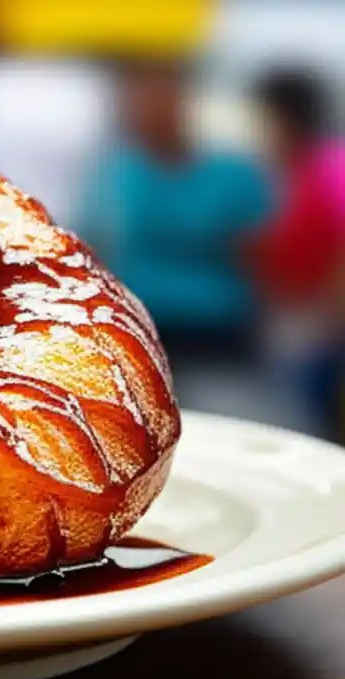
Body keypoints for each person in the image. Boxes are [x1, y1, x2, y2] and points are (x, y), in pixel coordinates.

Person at [76, 58, 274, 418]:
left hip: (216, 328)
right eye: (140, 98)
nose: (149, 109)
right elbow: (94, 247)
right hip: (141, 327)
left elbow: (257, 257)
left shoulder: (233, 174)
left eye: (160, 96)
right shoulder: (116, 172)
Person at [251, 67, 345, 438]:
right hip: (286, 313)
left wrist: (330, 317)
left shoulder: (330, 165)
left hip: (318, 319)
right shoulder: (279, 167)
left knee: (309, 418)